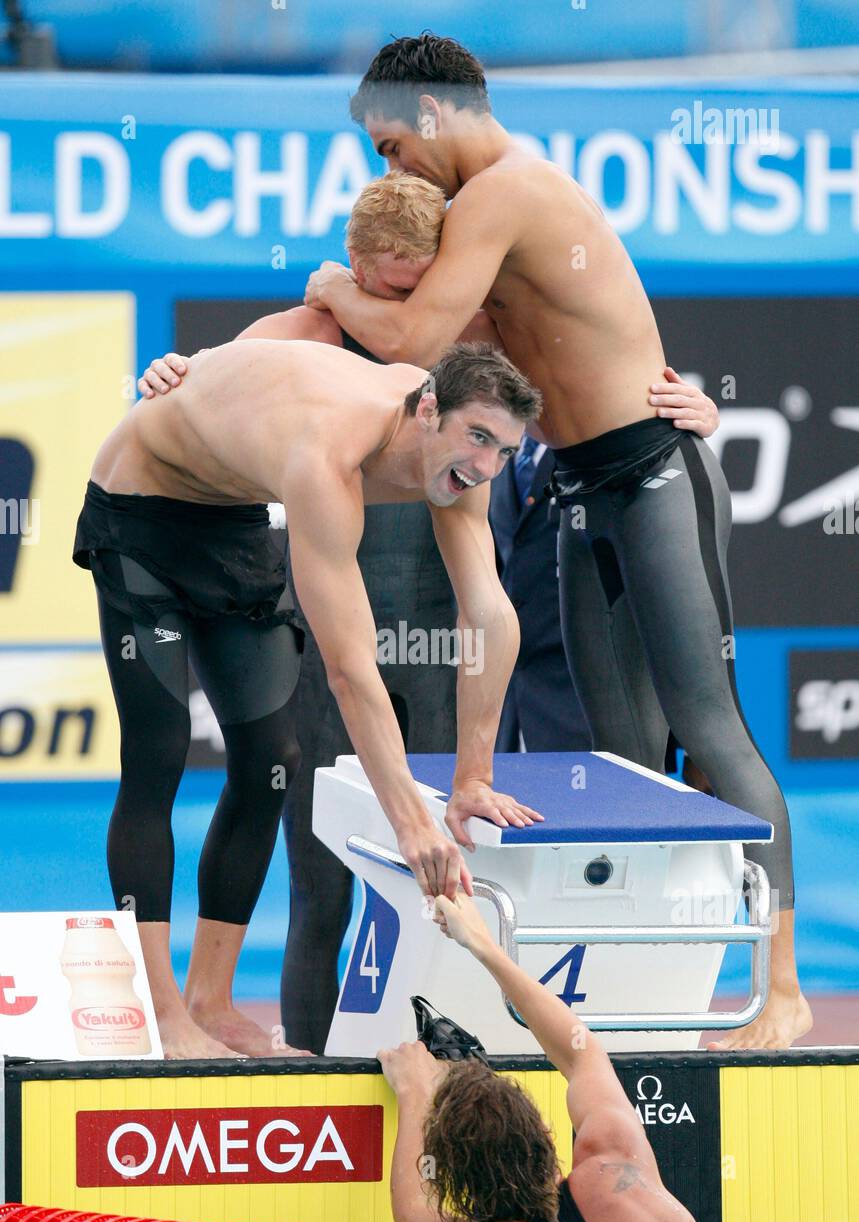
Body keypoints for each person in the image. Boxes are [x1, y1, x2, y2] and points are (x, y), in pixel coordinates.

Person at [305, 33, 809, 1050]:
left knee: (710, 731)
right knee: (620, 759)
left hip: (655, 471)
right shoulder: (474, 221)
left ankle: (785, 988)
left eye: (391, 145)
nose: (386, 168)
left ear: (437, 113)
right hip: (579, 487)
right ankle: (649, 989)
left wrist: (324, 279)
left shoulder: (505, 192)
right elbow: (441, 341)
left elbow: (405, 341)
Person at [140, 174, 722, 1049]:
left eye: (415, 290)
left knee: (451, 882)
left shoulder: (479, 343)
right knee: (323, 883)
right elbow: (210, 388)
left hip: (440, 650)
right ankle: (317, 1074)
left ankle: (448, 1072)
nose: (397, 312)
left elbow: (604, 399)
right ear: (352, 267)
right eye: (378, 286)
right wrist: (171, 371)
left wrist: (686, 411)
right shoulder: (306, 330)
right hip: (329, 646)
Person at [75, 337, 543, 1057]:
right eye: (477, 438)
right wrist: (412, 823)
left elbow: (488, 614)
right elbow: (350, 669)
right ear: (427, 410)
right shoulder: (330, 451)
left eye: (504, 451)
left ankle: (213, 1000)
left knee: (271, 757)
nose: (485, 464)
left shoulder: (462, 461)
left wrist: (472, 776)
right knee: (158, 751)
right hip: (139, 505)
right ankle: (160, 1011)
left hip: (227, 513)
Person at [379, 890, 709, 1222]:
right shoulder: (621, 1170)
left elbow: (413, 1221)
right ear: (547, 1137)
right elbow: (582, 1054)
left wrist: (415, 1093)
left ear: (454, 1181)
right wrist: (482, 944)